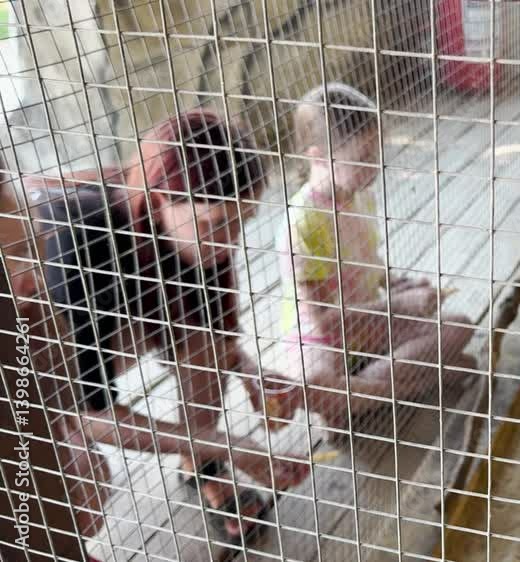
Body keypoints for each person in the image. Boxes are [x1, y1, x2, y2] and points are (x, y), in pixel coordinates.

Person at [17, 111, 310, 545]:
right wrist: (223, 442)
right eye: (215, 224)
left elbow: (213, 333)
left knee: (205, 345)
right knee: (85, 484)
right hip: (29, 378)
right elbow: (86, 409)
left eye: (241, 221)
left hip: (116, 316)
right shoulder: (82, 240)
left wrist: (252, 374)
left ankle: (202, 467)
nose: (230, 241)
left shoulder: (191, 237)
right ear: (158, 204)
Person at [270, 83, 476, 434]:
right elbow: (324, 324)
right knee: (315, 384)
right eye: (363, 157)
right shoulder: (301, 224)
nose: (374, 166)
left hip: (370, 325)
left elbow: (369, 261)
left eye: (375, 153)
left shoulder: (359, 196)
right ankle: (411, 386)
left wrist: (397, 285)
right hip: (323, 341)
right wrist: (399, 306)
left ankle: (359, 398)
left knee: (460, 326)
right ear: (319, 156)